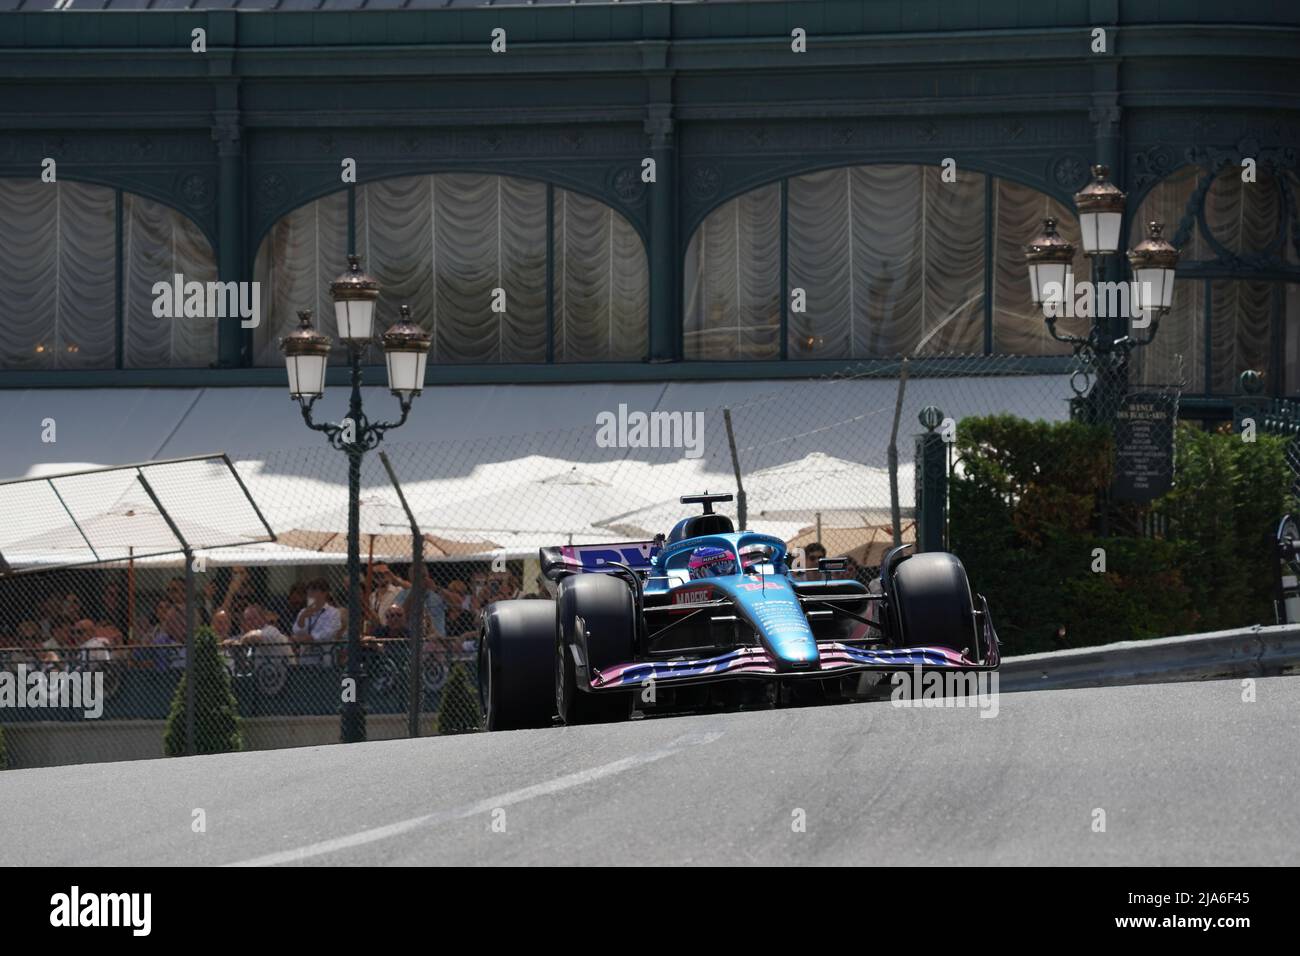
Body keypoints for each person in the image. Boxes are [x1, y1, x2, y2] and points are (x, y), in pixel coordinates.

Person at [292, 578, 342, 667]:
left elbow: (329, 633)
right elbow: (296, 631)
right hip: (305, 659)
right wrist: (303, 617)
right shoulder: (304, 611)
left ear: (324, 593)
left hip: (324, 658)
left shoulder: (333, 613)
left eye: (314, 591)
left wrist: (312, 638)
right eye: (309, 592)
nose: (311, 595)